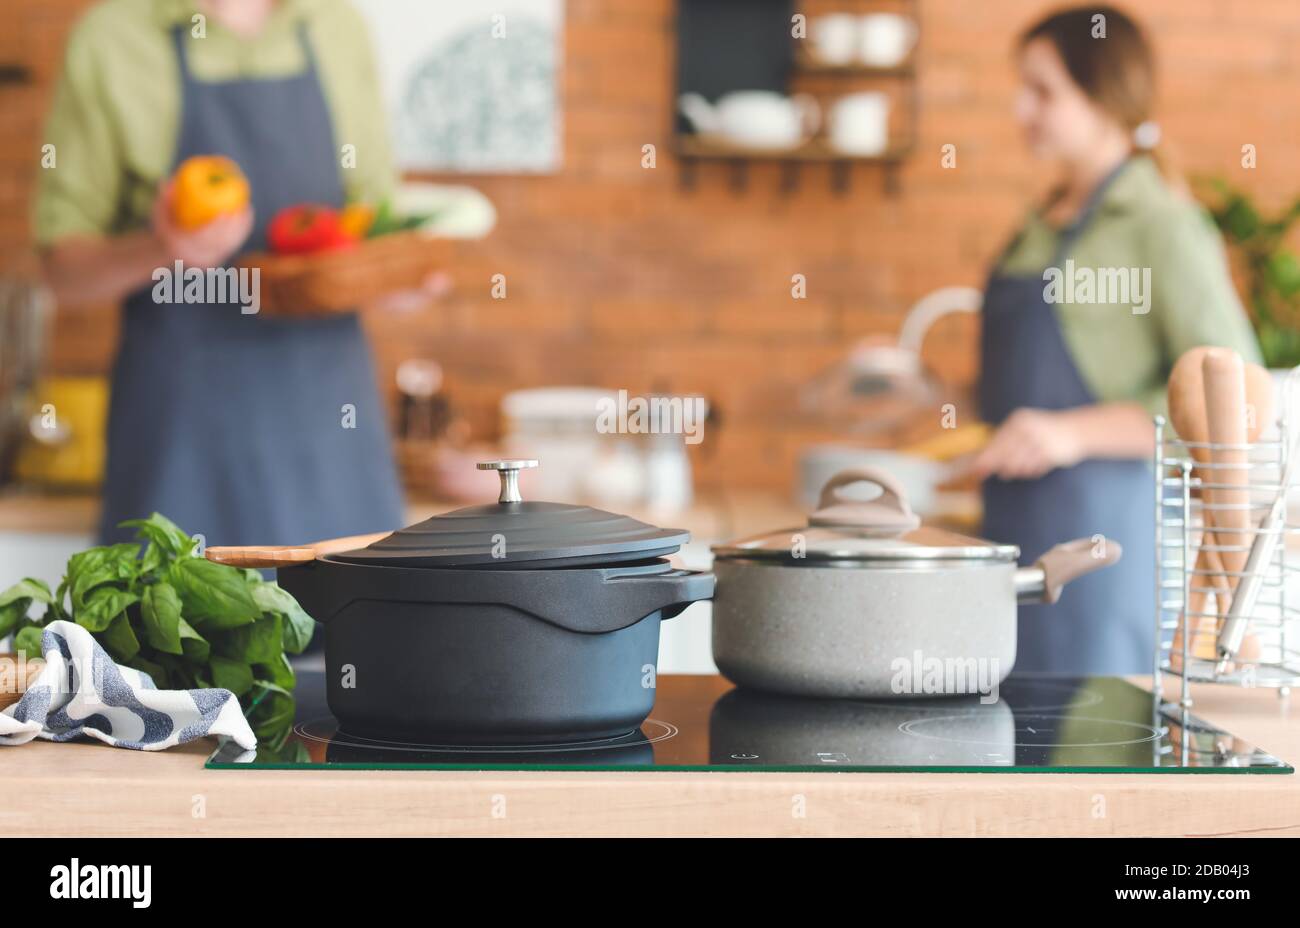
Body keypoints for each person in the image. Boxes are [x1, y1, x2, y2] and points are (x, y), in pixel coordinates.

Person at [35, 0, 404, 547]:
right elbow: (60, 271)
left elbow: (374, 229)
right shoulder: (111, 38)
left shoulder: (337, 25)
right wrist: (161, 248)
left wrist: (404, 282)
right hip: (180, 448)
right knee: (172, 627)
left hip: (332, 442)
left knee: (352, 624)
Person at [969, 6, 1261, 674]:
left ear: (1104, 96)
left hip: (1101, 549)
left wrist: (1073, 434)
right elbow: (1024, 386)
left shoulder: (1160, 222)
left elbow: (1236, 394)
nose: (1022, 110)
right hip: (1011, 533)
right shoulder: (1040, 222)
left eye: (1042, 91)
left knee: (1092, 753)